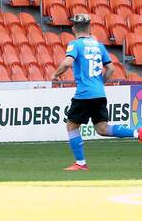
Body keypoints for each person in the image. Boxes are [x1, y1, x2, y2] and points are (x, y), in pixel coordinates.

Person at [54, 13, 140, 170]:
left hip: (84, 94)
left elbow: (67, 63)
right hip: (99, 93)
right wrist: (100, 83)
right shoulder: (99, 46)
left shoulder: (75, 45)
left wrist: (55, 75)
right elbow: (111, 69)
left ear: (73, 29)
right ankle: (137, 133)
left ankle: (81, 163)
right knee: (102, 129)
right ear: (90, 28)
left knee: (71, 126)